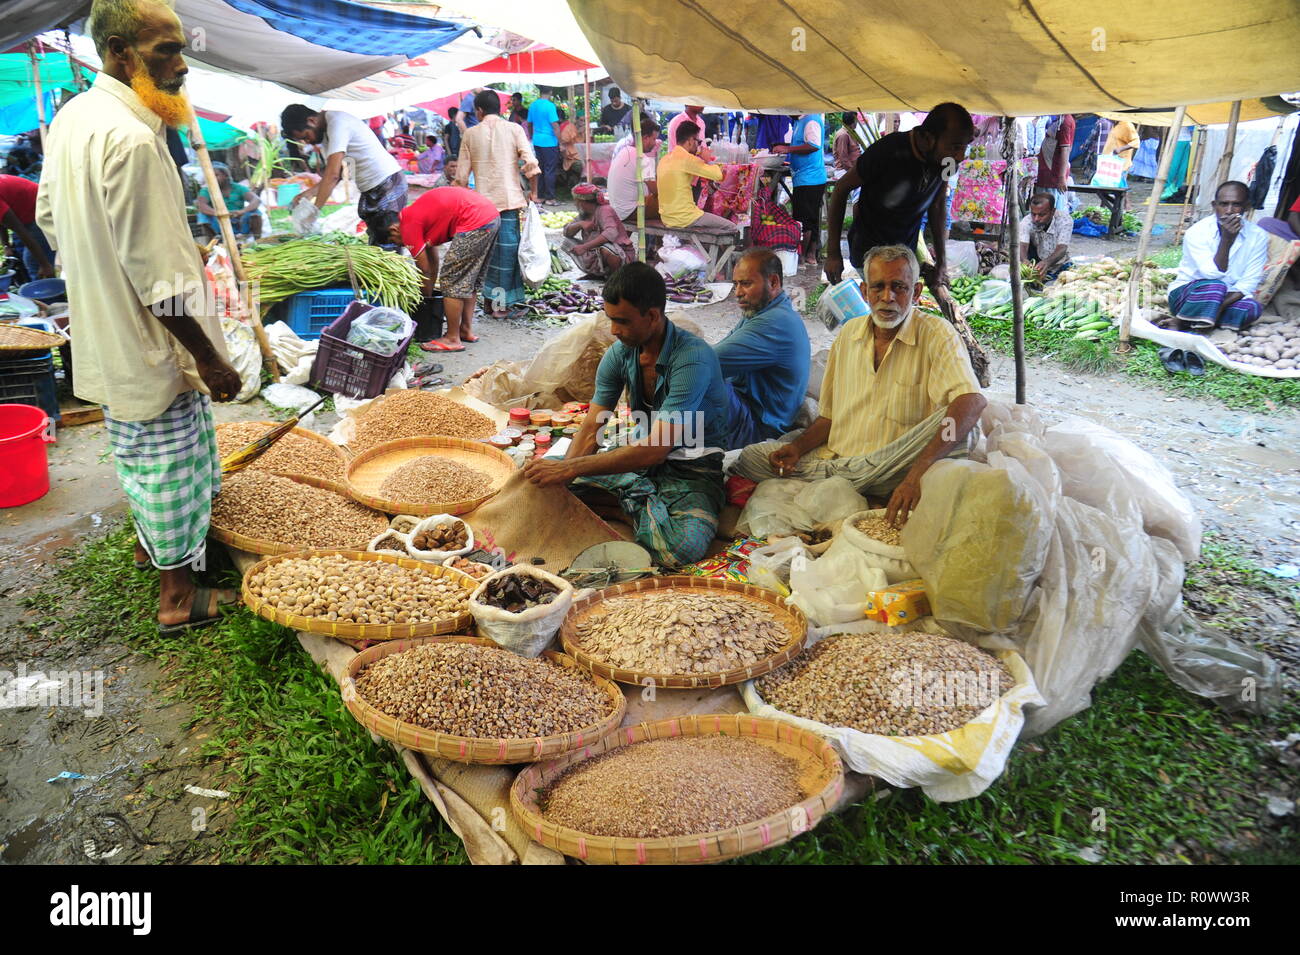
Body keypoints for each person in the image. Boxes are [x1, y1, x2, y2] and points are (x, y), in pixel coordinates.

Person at [37, 0, 241, 632]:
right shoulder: (130, 139)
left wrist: (100, 257)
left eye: (180, 50)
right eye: (163, 53)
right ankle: (177, 598)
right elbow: (158, 282)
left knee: (143, 453)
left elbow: (49, 216)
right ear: (121, 53)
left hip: (103, 324)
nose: (181, 67)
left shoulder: (76, 116)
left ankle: (157, 550)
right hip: (150, 336)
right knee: (169, 460)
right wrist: (207, 355)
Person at [733, 244, 984, 525]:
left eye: (898, 287)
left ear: (915, 292)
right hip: (841, 461)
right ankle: (858, 485)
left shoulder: (937, 334)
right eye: (878, 287)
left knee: (961, 422)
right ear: (864, 292)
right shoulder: (849, 334)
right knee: (750, 458)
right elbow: (828, 416)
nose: (887, 297)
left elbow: (972, 401)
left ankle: (861, 485)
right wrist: (799, 447)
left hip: (898, 464)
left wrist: (917, 475)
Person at [522, 263, 730, 566]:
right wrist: (564, 474)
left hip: (691, 466)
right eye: (610, 319)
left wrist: (573, 471)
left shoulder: (692, 359)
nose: (614, 330)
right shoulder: (619, 354)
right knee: (537, 481)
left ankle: (625, 499)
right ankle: (635, 503)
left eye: (622, 321)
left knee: (678, 550)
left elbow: (656, 450)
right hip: (636, 458)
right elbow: (592, 429)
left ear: (653, 316)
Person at [825, 102, 976, 317]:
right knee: (885, 316)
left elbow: (938, 203)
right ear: (927, 138)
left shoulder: (948, 160)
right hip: (869, 251)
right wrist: (833, 254)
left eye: (964, 146)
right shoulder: (887, 151)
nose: (960, 155)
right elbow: (840, 190)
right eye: (954, 146)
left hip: (906, 252)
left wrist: (941, 262)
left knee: (897, 318)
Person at [455, 88, 540, 318]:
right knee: (506, 257)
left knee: (487, 256)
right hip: (509, 202)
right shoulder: (514, 129)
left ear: (479, 111)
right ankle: (500, 307)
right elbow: (531, 162)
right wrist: (533, 192)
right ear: (500, 109)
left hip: (481, 207)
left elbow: (461, 177)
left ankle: (491, 302)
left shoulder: (470, 134)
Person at [382, 186, 500, 352]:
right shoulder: (418, 217)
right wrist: (428, 296)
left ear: (393, 229)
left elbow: (423, 269)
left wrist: (422, 298)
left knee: (452, 281)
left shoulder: (407, 224)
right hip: (489, 217)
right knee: (467, 279)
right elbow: (432, 262)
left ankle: (452, 338)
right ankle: (465, 330)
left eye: (395, 241)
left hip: (474, 220)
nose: (399, 245)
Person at [714, 248, 811, 449]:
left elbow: (709, 361)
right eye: (736, 284)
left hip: (759, 428)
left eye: (746, 284)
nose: (738, 293)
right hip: (747, 409)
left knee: (694, 374)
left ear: (773, 282)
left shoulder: (775, 322)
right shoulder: (761, 312)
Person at [280, 104, 407, 245]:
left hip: (387, 183)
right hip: (372, 187)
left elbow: (332, 175)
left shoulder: (337, 123)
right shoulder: (327, 132)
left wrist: (314, 211)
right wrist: (308, 194)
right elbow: (335, 174)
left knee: (389, 240)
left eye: (305, 136)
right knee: (377, 239)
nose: (307, 142)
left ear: (312, 121)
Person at [1167, 181, 1269, 332]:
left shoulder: (1258, 236)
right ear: (1215, 206)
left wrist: (1217, 308)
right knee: (1215, 286)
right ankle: (1197, 320)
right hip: (1190, 295)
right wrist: (1226, 240)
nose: (1229, 211)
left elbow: (1248, 284)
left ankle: (1191, 321)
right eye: (1223, 204)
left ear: (1246, 207)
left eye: (1236, 205)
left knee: (1252, 308)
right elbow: (1211, 274)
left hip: (1226, 298)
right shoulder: (1197, 232)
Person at [656, 121, 737, 233]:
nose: (699, 145)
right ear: (690, 141)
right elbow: (718, 175)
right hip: (685, 218)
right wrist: (707, 159)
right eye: (698, 141)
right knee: (732, 227)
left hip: (667, 218)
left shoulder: (664, 159)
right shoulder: (687, 159)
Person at [773, 113, 826, 264]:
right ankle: (809, 255)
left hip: (810, 178)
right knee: (809, 217)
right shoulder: (799, 121)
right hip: (803, 177)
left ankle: (803, 256)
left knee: (804, 219)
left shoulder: (811, 120)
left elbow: (813, 145)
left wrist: (788, 149)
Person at [561, 183, 635, 278]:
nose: (575, 204)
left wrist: (584, 247)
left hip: (620, 253)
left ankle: (616, 277)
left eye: (576, 201)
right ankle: (598, 274)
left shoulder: (605, 210)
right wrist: (580, 224)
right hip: (594, 252)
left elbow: (611, 233)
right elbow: (567, 232)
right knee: (567, 242)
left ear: (581, 202)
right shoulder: (584, 214)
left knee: (607, 250)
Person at [0, 173, 56, 280]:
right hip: (23, 211)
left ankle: (50, 293)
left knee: (32, 261)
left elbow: (21, 231)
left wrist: (44, 265)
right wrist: (6, 245)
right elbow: (2, 219)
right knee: (19, 251)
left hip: (40, 210)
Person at [608, 121, 660, 222]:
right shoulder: (642, 158)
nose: (655, 143)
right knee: (669, 201)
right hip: (631, 210)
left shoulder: (624, 151)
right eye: (654, 139)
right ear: (645, 138)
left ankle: (657, 238)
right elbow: (656, 190)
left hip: (617, 210)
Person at [194, 163, 262, 239]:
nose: (213, 178)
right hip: (219, 221)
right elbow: (201, 205)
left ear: (226, 176)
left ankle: (257, 240)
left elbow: (256, 200)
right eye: (210, 176)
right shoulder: (206, 190)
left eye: (216, 175)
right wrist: (219, 213)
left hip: (239, 220)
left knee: (255, 213)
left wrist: (242, 211)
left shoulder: (238, 188)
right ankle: (214, 243)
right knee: (202, 216)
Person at [1018, 192, 1073, 281]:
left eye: (1041, 215)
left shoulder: (1065, 220)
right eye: (1033, 214)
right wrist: (1024, 260)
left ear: (1052, 211)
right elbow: (1022, 245)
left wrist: (1047, 262)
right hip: (1037, 259)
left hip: (1059, 263)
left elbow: (1062, 248)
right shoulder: (1026, 222)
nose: (1036, 219)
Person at [527, 86, 561, 205]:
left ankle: (540, 196)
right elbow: (555, 125)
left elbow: (529, 124)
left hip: (537, 141)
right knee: (550, 170)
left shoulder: (533, 105)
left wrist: (532, 137)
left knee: (540, 169)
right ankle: (550, 198)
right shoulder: (550, 106)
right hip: (550, 141)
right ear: (551, 91)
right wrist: (560, 141)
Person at [1036, 113, 1075, 207]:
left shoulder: (1065, 122)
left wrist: (1061, 177)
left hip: (1052, 174)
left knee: (1048, 207)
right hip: (1046, 172)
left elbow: (1065, 149)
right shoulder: (1059, 119)